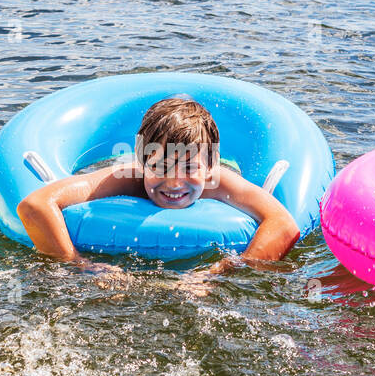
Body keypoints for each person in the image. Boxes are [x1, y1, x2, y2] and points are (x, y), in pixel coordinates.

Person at [16, 97, 301, 277]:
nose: (175, 182)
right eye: (161, 166)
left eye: (190, 168)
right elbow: (35, 205)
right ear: (142, 160)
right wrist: (79, 263)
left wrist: (221, 272)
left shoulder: (220, 181)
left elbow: (283, 225)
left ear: (211, 163)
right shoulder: (126, 177)